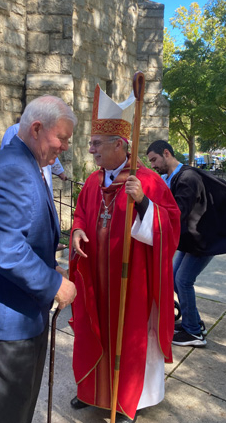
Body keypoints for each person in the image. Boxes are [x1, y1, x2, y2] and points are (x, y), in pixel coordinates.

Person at [0, 95, 78, 423]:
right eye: (62, 138)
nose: (65, 147)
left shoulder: (25, 163)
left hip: (11, 316)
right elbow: (8, 250)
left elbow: (21, 233)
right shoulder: (14, 170)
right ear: (36, 129)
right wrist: (54, 284)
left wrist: (50, 266)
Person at [68, 89, 180, 422]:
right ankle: (92, 390)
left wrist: (144, 202)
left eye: (96, 143)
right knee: (93, 329)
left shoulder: (147, 181)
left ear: (119, 144)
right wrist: (77, 230)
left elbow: (171, 226)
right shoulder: (92, 182)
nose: (91, 150)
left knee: (129, 338)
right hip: (96, 280)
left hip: (132, 284)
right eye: (91, 143)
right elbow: (80, 214)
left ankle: (130, 398)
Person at [146, 140, 226, 346]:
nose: (153, 165)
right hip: (193, 240)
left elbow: (178, 213)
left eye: (154, 160)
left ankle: (193, 333)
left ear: (166, 153)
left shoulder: (187, 178)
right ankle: (193, 323)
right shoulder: (173, 177)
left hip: (204, 240)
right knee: (175, 278)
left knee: (183, 280)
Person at [2, 116, 68, 187]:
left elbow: (50, 153)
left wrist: (60, 172)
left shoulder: (43, 131)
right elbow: (7, 152)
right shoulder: (15, 129)